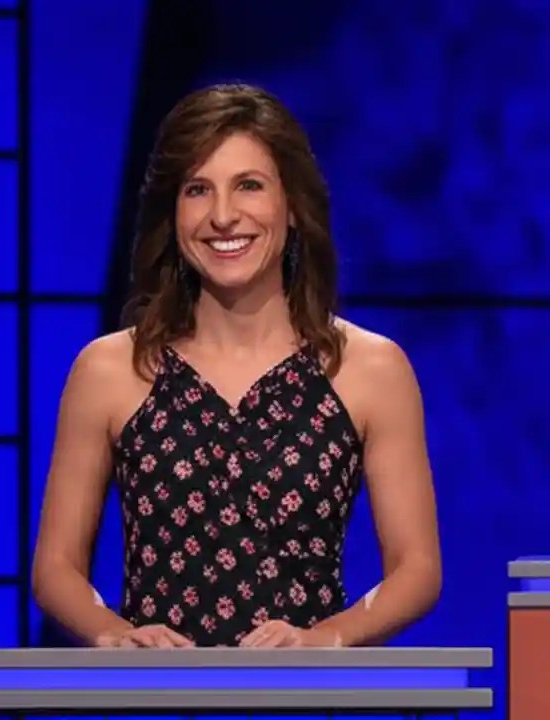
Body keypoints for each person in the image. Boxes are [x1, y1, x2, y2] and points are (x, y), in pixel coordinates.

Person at [31, 84, 441, 648]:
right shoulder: (109, 369)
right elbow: (55, 570)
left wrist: (325, 639)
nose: (223, 216)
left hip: (308, 707)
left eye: (248, 186)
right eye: (198, 190)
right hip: (153, 705)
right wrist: (114, 636)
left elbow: (417, 570)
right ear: (173, 214)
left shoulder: (369, 369)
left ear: (292, 206)